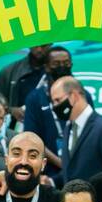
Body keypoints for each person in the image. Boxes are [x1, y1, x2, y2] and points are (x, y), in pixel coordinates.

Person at [49, 76, 102, 182]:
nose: (54, 106)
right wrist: (51, 182)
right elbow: (72, 171)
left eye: (57, 100)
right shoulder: (68, 129)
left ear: (73, 96)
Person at [22, 46, 75, 177]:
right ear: (46, 67)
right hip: (49, 172)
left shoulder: (81, 94)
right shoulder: (35, 98)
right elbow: (32, 139)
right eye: (56, 64)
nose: (62, 66)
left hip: (79, 167)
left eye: (66, 63)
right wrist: (61, 163)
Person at [0, 43, 51, 127]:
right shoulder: (10, 71)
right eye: (36, 45)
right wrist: (11, 110)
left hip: (49, 127)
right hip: (18, 127)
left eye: (43, 46)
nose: (39, 50)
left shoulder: (56, 70)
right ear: (29, 44)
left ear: (51, 44)